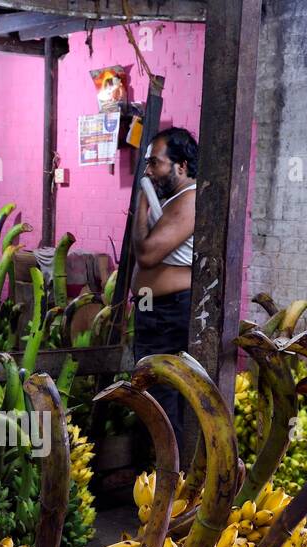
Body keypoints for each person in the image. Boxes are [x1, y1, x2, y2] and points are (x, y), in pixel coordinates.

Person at [131, 127, 197, 447]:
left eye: (154, 163)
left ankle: (172, 482)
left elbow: (146, 254)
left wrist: (141, 201)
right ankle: (159, 477)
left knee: (164, 400)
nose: (148, 171)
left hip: (170, 314)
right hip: (154, 311)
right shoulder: (171, 201)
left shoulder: (190, 199)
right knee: (151, 394)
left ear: (180, 165)